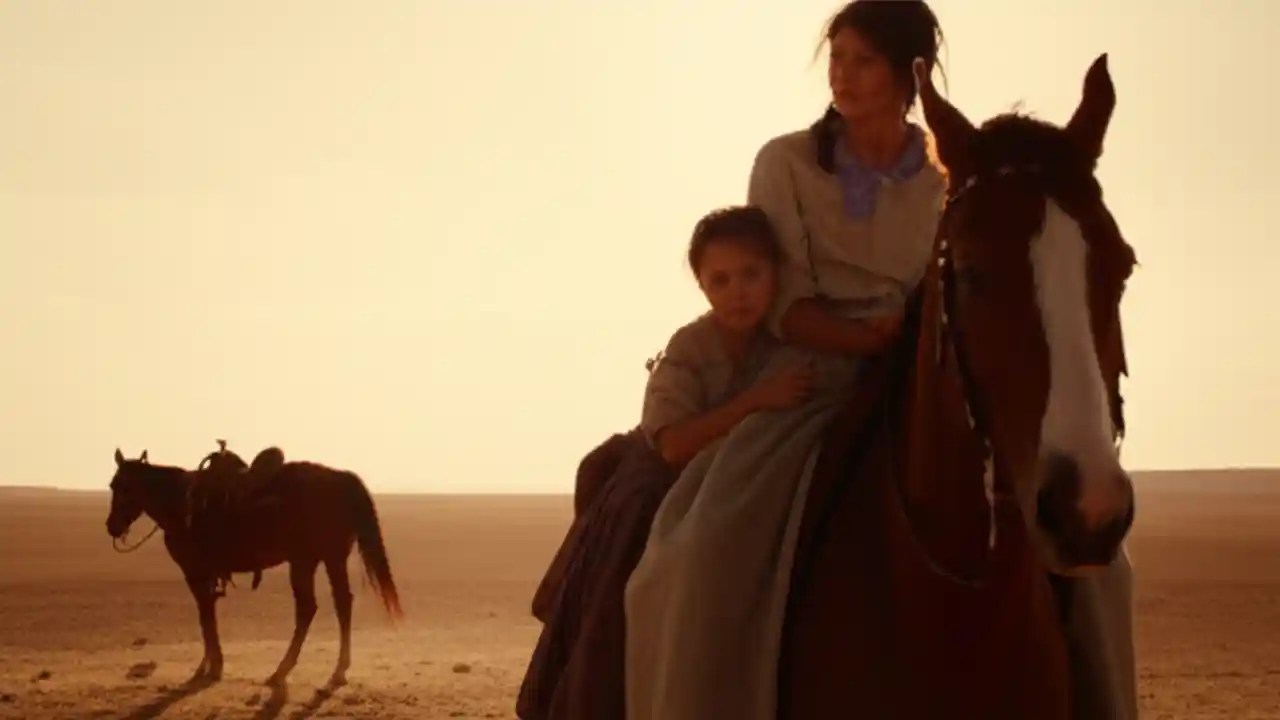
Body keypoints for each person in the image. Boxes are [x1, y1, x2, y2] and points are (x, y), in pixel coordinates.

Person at [622, 2, 950, 719]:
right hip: (812, 379)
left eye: (863, 60)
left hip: (920, 378)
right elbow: (783, 302)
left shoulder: (940, 179)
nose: (842, 75)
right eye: (837, 58)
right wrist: (867, 340)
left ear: (909, 73)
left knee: (1078, 549)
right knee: (701, 545)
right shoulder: (787, 162)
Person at [515, 205, 810, 719]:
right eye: (720, 279)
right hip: (660, 480)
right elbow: (673, 444)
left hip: (730, 482)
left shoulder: (782, 345)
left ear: (774, 275)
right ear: (702, 286)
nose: (737, 291)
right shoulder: (690, 347)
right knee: (627, 585)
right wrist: (757, 401)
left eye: (750, 275)